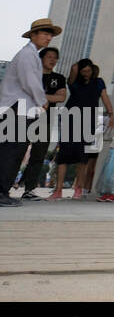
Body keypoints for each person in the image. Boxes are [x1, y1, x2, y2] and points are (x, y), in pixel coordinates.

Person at [0, 19, 63, 207]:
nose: (48, 37)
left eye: (50, 34)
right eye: (44, 33)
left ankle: (3, 190)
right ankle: (1, 192)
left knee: (14, 151)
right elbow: (30, 83)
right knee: (11, 152)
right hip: (16, 109)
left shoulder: (31, 54)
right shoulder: (28, 55)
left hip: (21, 110)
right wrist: (43, 101)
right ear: (33, 35)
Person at [52, 58, 113, 200]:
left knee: (82, 157)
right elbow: (73, 69)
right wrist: (78, 66)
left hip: (88, 120)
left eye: (88, 71)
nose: (86, 73)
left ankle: (78, 188)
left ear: (93, 69)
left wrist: (111, 114)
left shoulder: (98, 82)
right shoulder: (74, 83)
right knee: (64, 155)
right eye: (83, 71)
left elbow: (105, 98)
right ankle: (58, 189)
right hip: (70, 119)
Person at [16, 46, 66, 200]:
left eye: (55, 57)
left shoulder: (58, 78)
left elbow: (61, 97)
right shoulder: (32, 76)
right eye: (49, 56)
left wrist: (38, 95)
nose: (53, 60)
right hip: (26, 116)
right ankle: (5, 187)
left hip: (46, 120)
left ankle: (29, 190)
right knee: (17, 152)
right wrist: (46, 96)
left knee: (38, 155)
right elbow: (23, 93)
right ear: (41, 58)